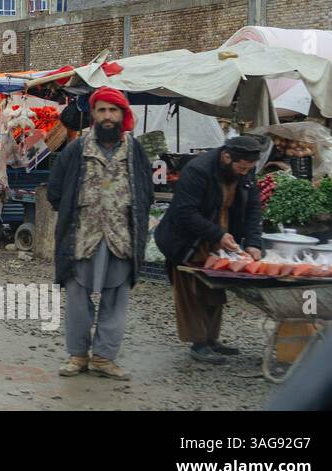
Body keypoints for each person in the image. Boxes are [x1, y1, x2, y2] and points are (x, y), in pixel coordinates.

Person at [46, 87, 153, 381]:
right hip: (82, 238)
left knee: (116, 299)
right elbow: (55, 191)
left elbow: (146, 192)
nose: (108, 116)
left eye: (113, 110)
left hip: (121, 238)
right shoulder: (76, 149)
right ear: (92, 114)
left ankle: (104, 358)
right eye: (102, 110)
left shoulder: (135, 151)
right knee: (78, 299)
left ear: (123, 114)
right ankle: (78, 356)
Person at [153, 135, 265, 364]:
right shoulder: (198, 171)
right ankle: (198, 343)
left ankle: (212, 339)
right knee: (190, 291)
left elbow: (253, 207)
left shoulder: (245, 171)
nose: (245, 172)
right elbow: (186, 212)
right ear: (226, 157)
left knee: (214, 290)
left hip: (218, 237)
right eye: (241, 167)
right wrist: (218, 234)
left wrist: (254, 242)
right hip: (185, 238)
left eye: (249, 168)